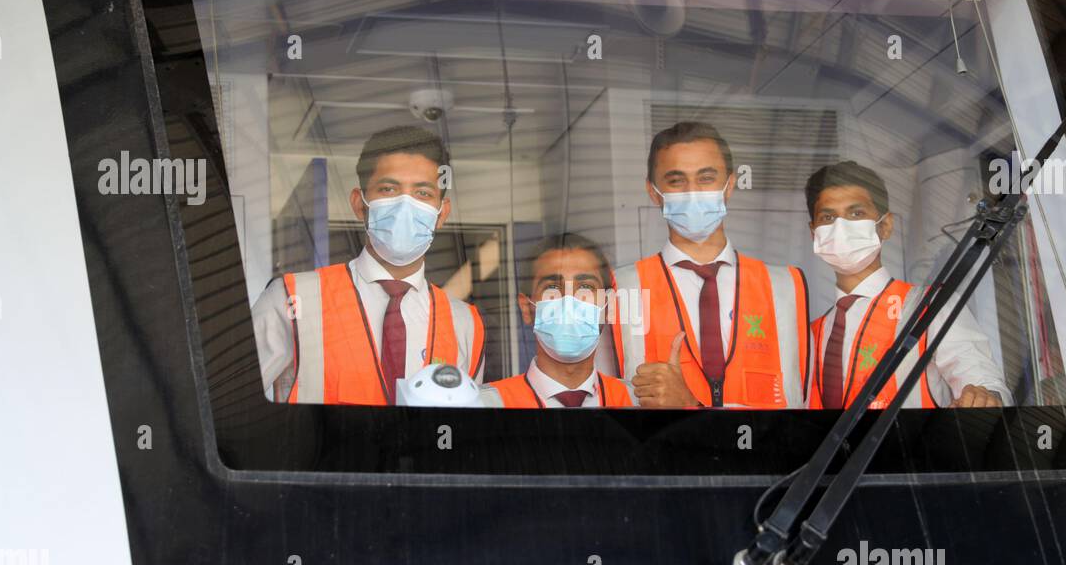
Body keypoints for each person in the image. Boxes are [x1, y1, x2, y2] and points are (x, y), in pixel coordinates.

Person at [251, 125, 484, 404]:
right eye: (388, 189)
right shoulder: (290, 298)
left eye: (422, 193)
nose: (404, 205)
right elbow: (226, 407)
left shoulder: (464, 322)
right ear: (359, 205)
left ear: (441, 213)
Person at [608, 121, 810, 408]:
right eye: (676, 180)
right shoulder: (622, 286)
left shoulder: (786, 286)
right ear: (654, 192)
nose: (693, 192)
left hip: (768, 451)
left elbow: (801, 402)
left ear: (729, 185)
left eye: (706, 178)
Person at [804, 160, 1009, 410]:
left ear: (886, 225)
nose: (841, 227)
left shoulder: (930, 307)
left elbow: (980, 378)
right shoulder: (809, 336)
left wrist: (984, 395)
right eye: (828, 217)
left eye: (856, 213)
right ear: (814, 233)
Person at [481, 234, 632, 408]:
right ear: (526, 308)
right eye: (552, 288)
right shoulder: (487, 406)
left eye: (585, 287)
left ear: (609, 307)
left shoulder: (638, 402)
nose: (569, 302)